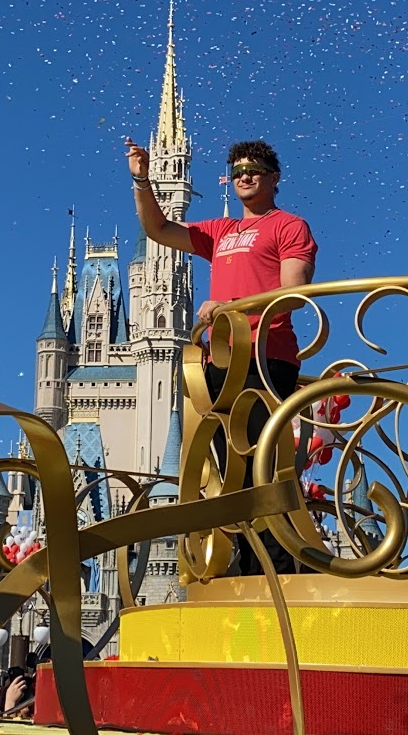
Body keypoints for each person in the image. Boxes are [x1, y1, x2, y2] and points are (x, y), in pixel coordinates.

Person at [126, 137, 318, 574]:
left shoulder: (289, 226)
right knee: (230, 470)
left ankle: (279, 567)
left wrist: (229, 309)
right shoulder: (221, 232)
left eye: (252, 170)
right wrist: (141, 179)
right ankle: (248, 562)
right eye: (236, 172)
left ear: (273, 177)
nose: (243, 177)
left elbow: (291, 295)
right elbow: (159, 230)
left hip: (266, 357)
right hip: (219, 363)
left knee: (260, 463)